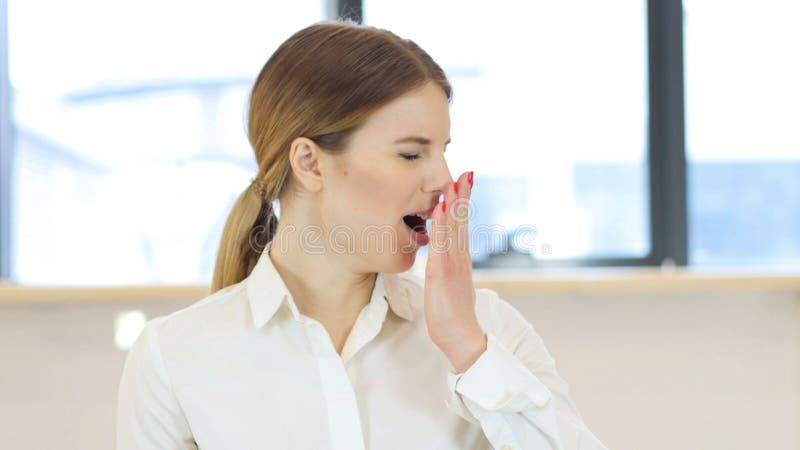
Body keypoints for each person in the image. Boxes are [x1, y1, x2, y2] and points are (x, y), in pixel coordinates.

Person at [116, 19, 609, 450]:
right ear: (310, 162)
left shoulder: (489, 330)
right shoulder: (174, 355)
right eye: (412, 154)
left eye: (443, 150)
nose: (443, 179)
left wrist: (468, 350)